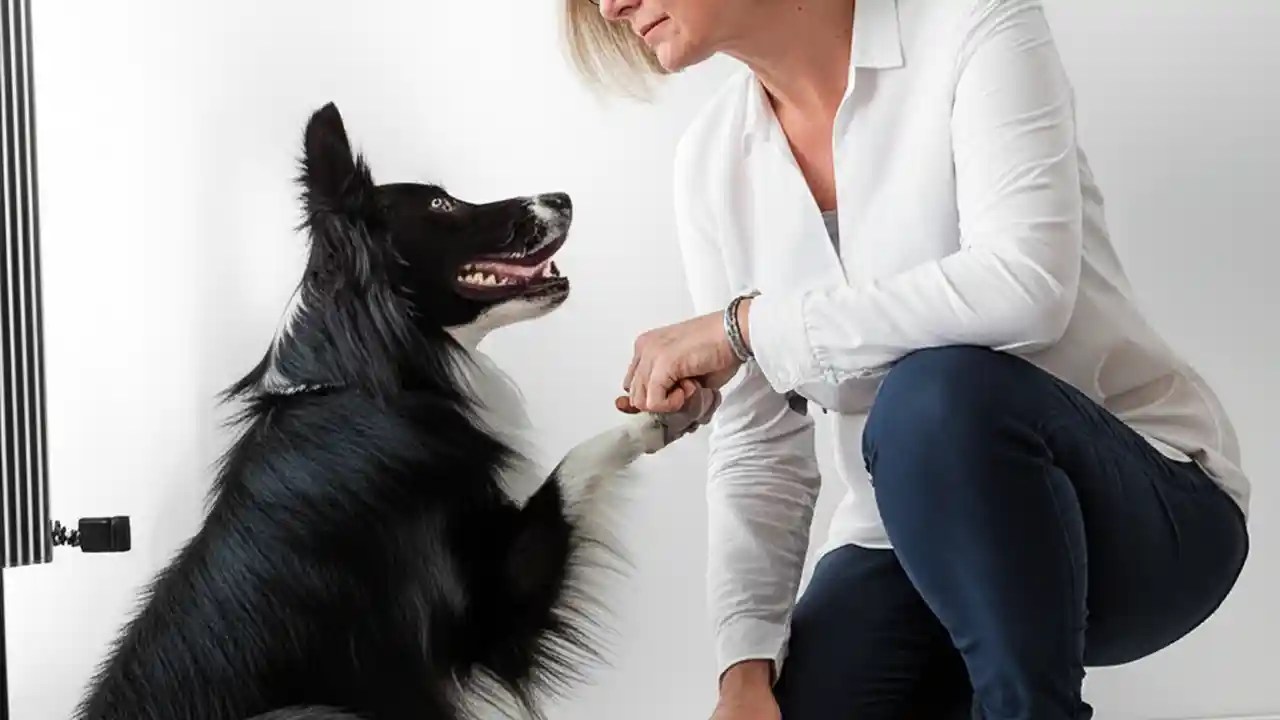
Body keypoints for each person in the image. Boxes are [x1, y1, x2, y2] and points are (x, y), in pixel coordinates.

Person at [563, 1, 1251, 718]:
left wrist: (747, 326)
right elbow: (760, 444)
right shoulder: (710, 163)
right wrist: (742, 666)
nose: (613, 6)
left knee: (935, 393)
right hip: (909, 544)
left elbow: (1024, 287)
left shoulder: (972, 25)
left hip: (1144, 516)